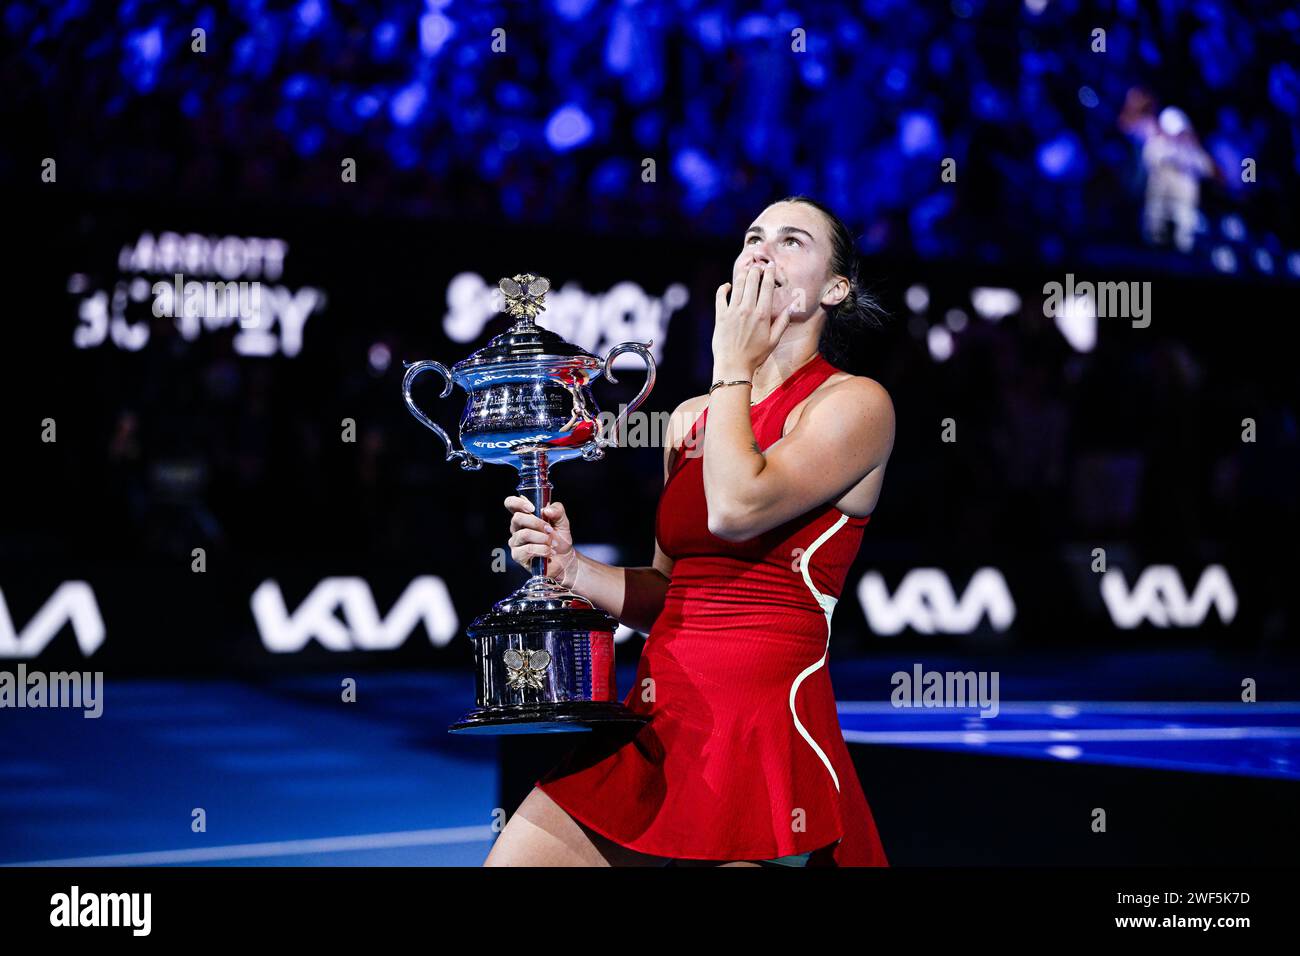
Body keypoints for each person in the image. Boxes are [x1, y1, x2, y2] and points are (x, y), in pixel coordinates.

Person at [484, 196, 896, 867]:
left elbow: (738, 508)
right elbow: (671, 591)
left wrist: (731, 362)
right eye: (754, 236)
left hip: (759, 731)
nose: (763, 249)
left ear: (835, 289)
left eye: (793, 241)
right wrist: (572, 568)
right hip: (659, 715)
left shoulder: (856, 403)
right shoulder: (692, 420)